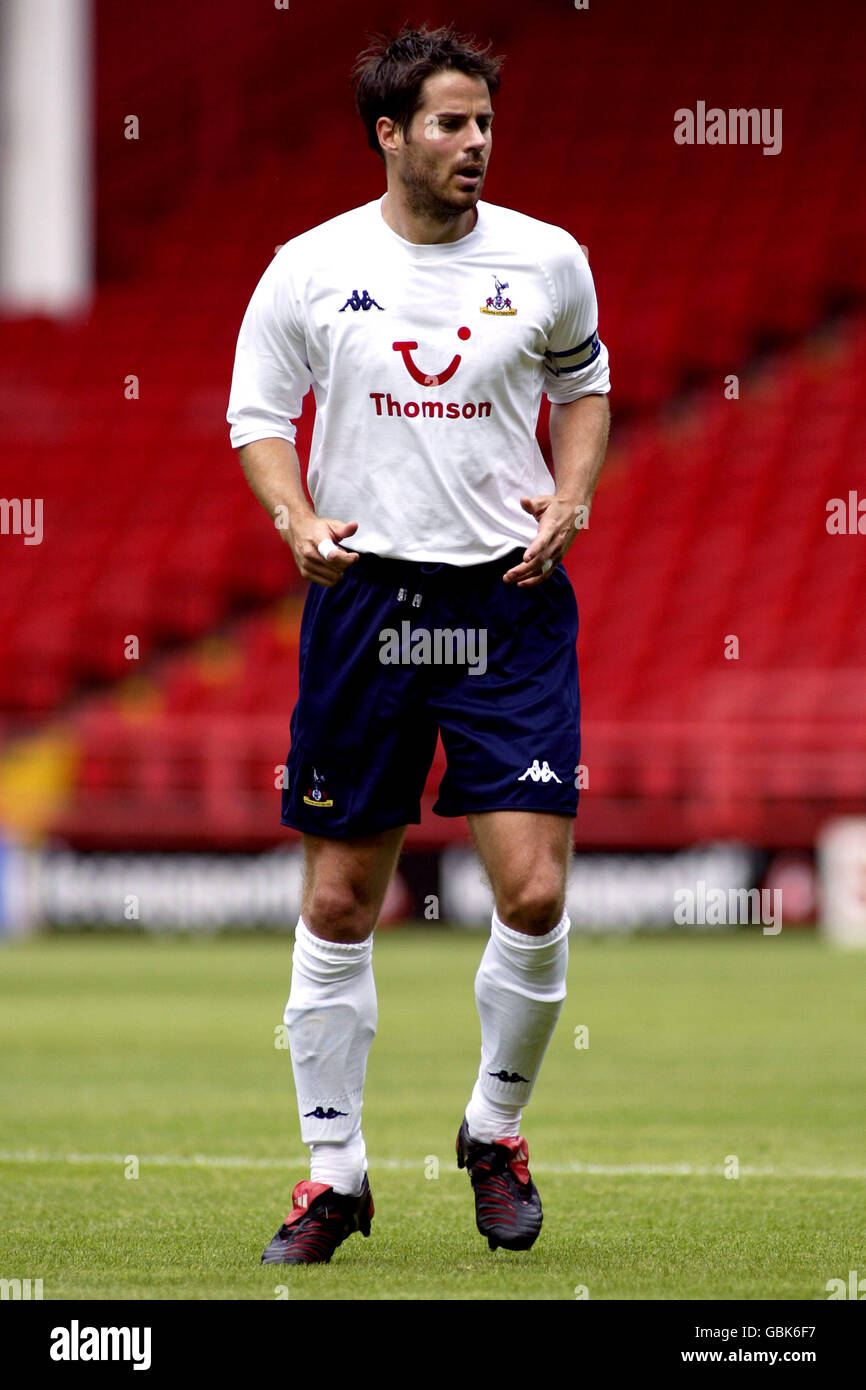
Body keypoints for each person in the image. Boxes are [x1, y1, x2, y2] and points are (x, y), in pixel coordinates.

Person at [226, 22, 610, 1265]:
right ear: (387, 134)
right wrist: (294, 517)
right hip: (368, 607)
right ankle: (333, 1173)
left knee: (537, 889)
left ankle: (492, 1131)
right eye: (448, 124)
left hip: (504, 604)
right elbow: (255, 414)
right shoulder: (307, 266)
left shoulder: (548, 259)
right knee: (341, 898)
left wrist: (572, 494)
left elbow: (583, 384)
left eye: (483, 123)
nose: (473, 144)